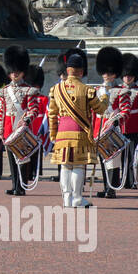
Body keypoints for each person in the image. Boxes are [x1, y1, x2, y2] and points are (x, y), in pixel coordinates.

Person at [47, 49, 108, 208]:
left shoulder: (56, 90)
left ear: (67, 70)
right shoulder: (88, 90)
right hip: (80, 133)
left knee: (65, 165)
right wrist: (105, 96)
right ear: (81, 71)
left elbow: (52, 114)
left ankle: (66, 199)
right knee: (79, 165)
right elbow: (100, 109)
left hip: (62, 132)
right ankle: (77, 198)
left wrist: (53, 134)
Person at [1, 46, 39, 195]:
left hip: (21, 128)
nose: (14, 74)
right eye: (12, 72)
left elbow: (34, 110)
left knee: (22, 158)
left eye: (17, 71)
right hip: (8, 128)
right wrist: (0, 130)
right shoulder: (4, 91)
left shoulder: (29, 90)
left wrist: (27, 121)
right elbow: (1, 112)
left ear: (23, 72)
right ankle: (15, 184)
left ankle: (22, 186)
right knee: (11, 159)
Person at [93, 46, 126, 199]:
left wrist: (114, 120)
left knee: (113, 159)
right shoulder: (96, 90)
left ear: (115, 74)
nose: (107, 75)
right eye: (105, 72)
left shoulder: (122, 91)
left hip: (112, 128)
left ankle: (112, 188)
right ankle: (106, 186)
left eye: (111, 72)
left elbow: (125, 110)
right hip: (99, 128)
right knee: (103, 159)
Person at [119, 53, 138, 189]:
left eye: (129, 75)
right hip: (121, 128)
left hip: (134, 128)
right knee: (123, 157)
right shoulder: (117, 91)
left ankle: (133, 180)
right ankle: (124, 181)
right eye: (125, 75)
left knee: (133, 157)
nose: (127, 78)